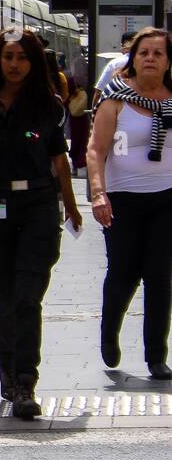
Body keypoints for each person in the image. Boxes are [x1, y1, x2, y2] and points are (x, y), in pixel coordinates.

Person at [0, 28, 83, 419]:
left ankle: (26, 381)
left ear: (33, 61)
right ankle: (6, 371)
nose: (15, 64)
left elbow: (60, 161)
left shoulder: (46, 104)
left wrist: (72, 208)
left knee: (28, 296)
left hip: (38, 206)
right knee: (1, 297)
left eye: (22, 57)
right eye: (8, 57)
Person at [86, 26, 172, 381]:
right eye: (144, 53)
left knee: (160, 276)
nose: (150, 58)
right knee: (123, 274)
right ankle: (110, 333)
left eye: (158, 53)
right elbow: (96, 150)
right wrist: (98, 193)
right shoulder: (115, 99)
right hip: (122, 200)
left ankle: (156, 356)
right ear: (133, 60)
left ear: (168, 62)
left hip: (166, 199)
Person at [94, 28, 137, 100]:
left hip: (117, 107)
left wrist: (94, 109)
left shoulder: (115, 63)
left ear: (122, 45)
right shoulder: (146, 62)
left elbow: (99, 91)